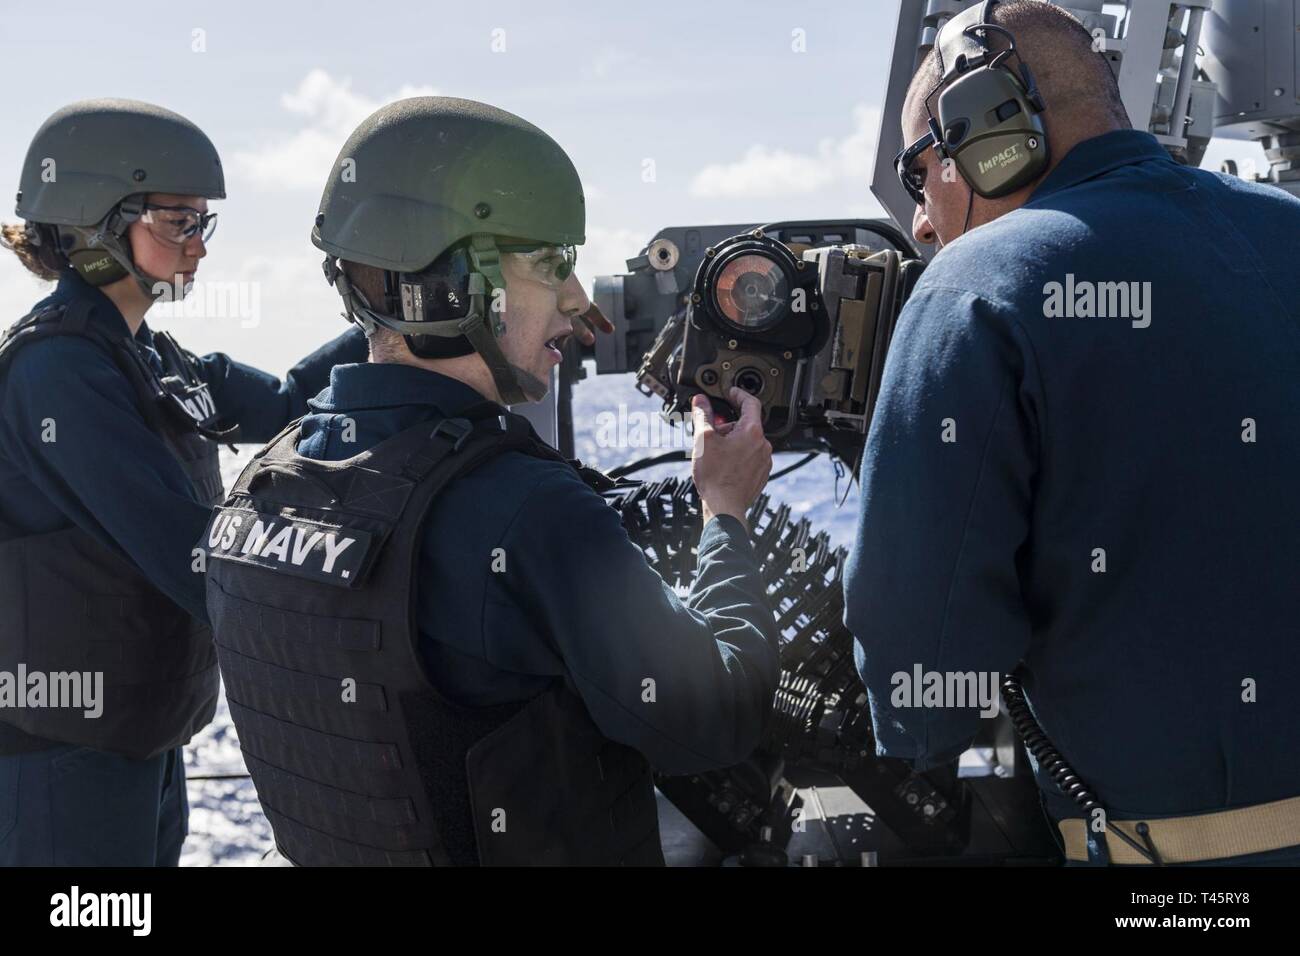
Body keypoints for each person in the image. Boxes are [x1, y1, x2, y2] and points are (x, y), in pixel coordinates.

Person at [202, 96, 780, 866]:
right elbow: (713, 715)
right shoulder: (528, 512)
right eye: (549, 264)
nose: (578, 303)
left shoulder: (262, 486)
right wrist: (726, 513)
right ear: (455, 283)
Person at [845, 0, 1300, 865]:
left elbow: (925, 681)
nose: (922, 225)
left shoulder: (972, 289)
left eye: (917, 175)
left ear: (987, 130)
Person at [0, 98, 368, 866]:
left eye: (203, 222)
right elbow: (185, 551)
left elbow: (286, 402)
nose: (199, 245)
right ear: (98, 223)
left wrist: (390, 307)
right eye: (178, 222)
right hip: (63, 757)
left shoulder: (146, 354)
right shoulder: (60, 370)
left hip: (139, 731)